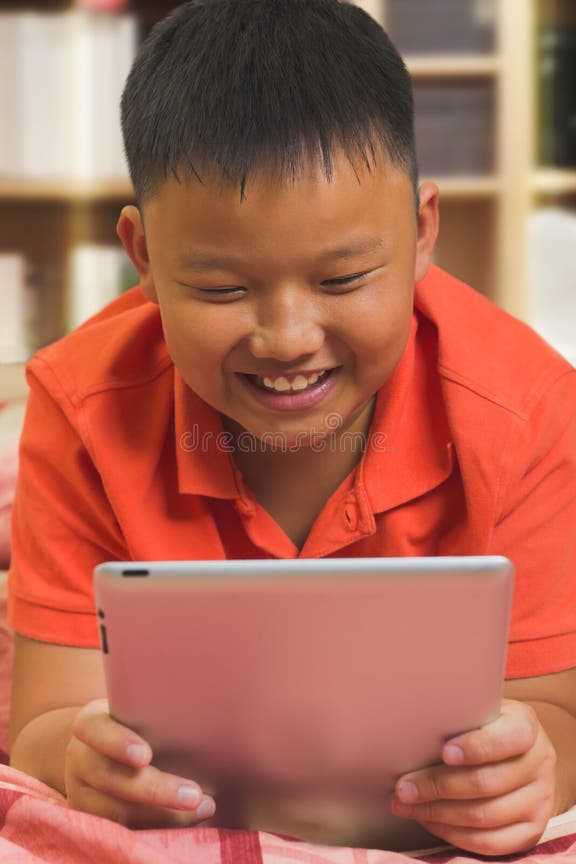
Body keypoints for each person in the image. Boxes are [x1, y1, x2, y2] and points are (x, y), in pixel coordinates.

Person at [7, 0, 576, 855]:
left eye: (343, 280)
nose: (287, 339)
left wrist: (532, 771)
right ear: (144, 257)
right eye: (223, 290)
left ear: (422, 231)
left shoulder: (526, 410)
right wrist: (82, 760)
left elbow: (558, 716)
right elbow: (43, 724)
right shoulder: (83, 407)